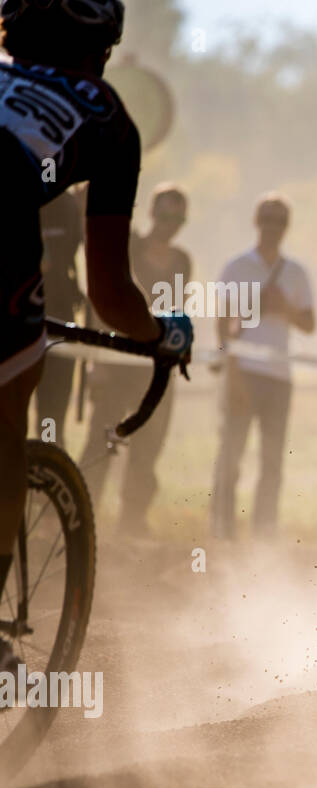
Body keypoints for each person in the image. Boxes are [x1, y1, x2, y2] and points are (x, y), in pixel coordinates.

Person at [0, 0, 193, 675]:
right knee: (7, 416)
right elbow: (112, 296)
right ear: (102, 52)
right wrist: (164, 335)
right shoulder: (107, 114)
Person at [81, 183, 192, 534]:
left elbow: (176, 311)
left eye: (176, 217)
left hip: (156, 365)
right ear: (151, 213)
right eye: (164, 214)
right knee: (102, 439)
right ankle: (82, 513)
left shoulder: (182, 261)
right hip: (117, 361)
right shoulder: (128, 247)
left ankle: (132, 518)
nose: (168, 223)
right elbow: (104, 301)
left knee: (149, 443)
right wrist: (98, 362)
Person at [210, 193, 315, 540]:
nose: (272, 227)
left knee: (272, 460)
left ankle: (264, 531)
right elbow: (223, 327)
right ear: (257, 222)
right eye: (267, 219)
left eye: (279, 221)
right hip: (244, 372)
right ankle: (223, 526)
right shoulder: (237, 267)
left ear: (286, 227)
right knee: (232, 453)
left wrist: (284, 308)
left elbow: (309, 324)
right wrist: (233, 372)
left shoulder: (296, 272)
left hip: (279, 376)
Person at [33, 189, 86, 441]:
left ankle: (47, 466)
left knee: (52, 417)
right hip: (17, 321)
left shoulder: (68, 206)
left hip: (59, 320)